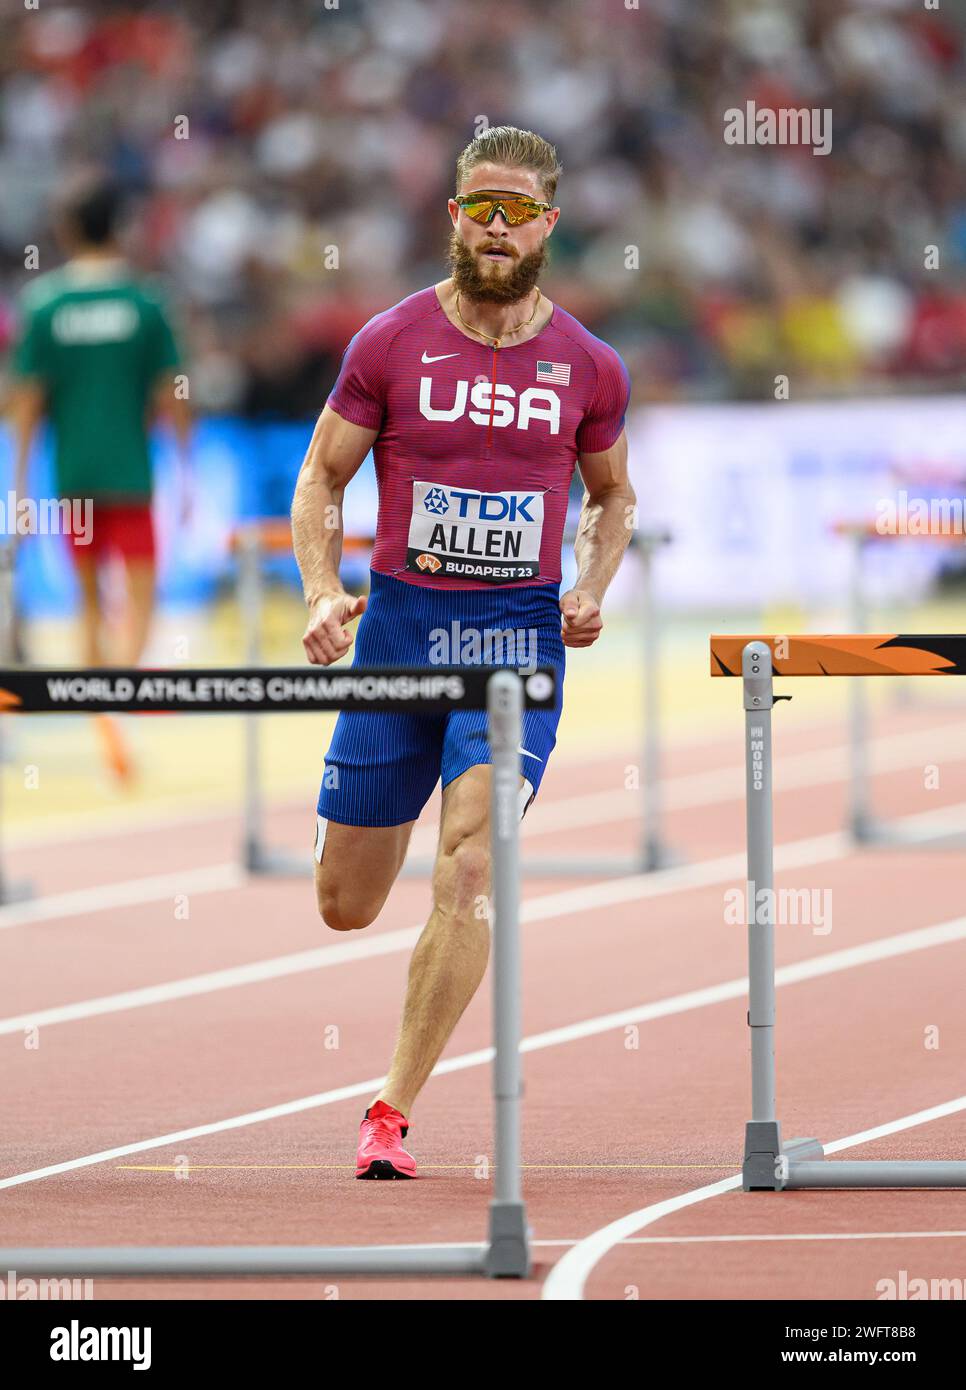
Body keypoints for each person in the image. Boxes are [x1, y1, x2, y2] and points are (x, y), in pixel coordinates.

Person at [291, 126, 636, 1179]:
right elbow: (319, 481)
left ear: (549, 224)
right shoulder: (388, 342)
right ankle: (361, 823)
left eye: (516, 209)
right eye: (478, 205)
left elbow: (614, 497)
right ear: (452, 217)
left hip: (513, 642)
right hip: (396, 635)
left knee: (474, 866)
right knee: (346, 903)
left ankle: (389, 1110)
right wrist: (318, 588)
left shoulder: (589, 365)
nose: (496, 226)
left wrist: (589, 584)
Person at [6, 174, 191, 779]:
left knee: (87, 603)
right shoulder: (146, 302)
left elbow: (26, 403)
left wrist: (20, 488)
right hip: (131, 475)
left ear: (65, 230)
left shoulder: (43, 305)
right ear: (119, 226)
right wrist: (186, 472)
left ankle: (101, 714)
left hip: (72, 477)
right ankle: (119, 699)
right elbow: (172, 395)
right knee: (139, 598)